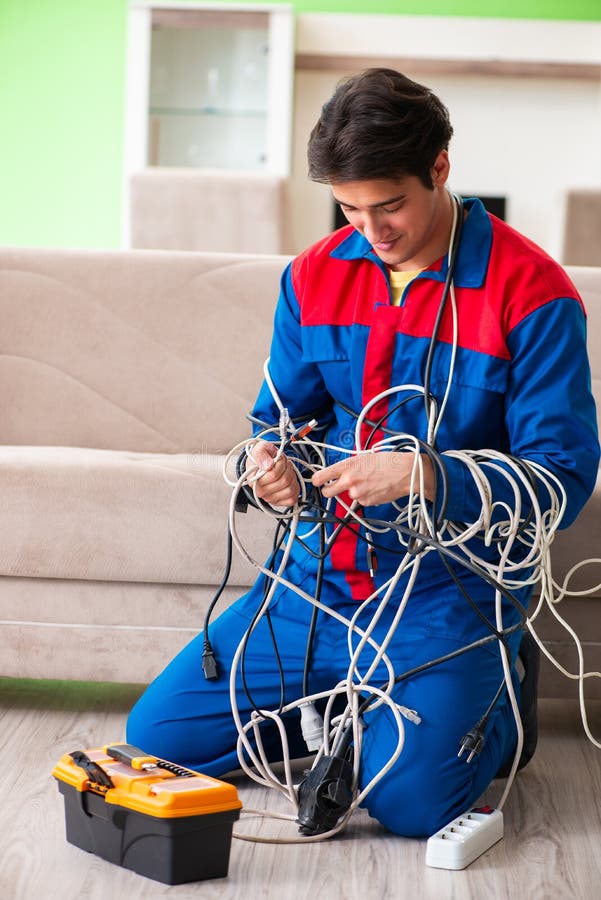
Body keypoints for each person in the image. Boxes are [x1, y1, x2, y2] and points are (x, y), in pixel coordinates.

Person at [127, 69, 600, 837]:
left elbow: (563, 480)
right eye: (348, 208)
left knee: (412, 807)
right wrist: (269, 464)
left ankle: (496, 708)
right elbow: (277, 420)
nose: (370, 231)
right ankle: (353, 712)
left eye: (390, 205)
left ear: (439, 168)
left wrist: (425, 474)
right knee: (157, 745)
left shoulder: (531, 291)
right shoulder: (313, 276)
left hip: (448, 596)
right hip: (315, 582)